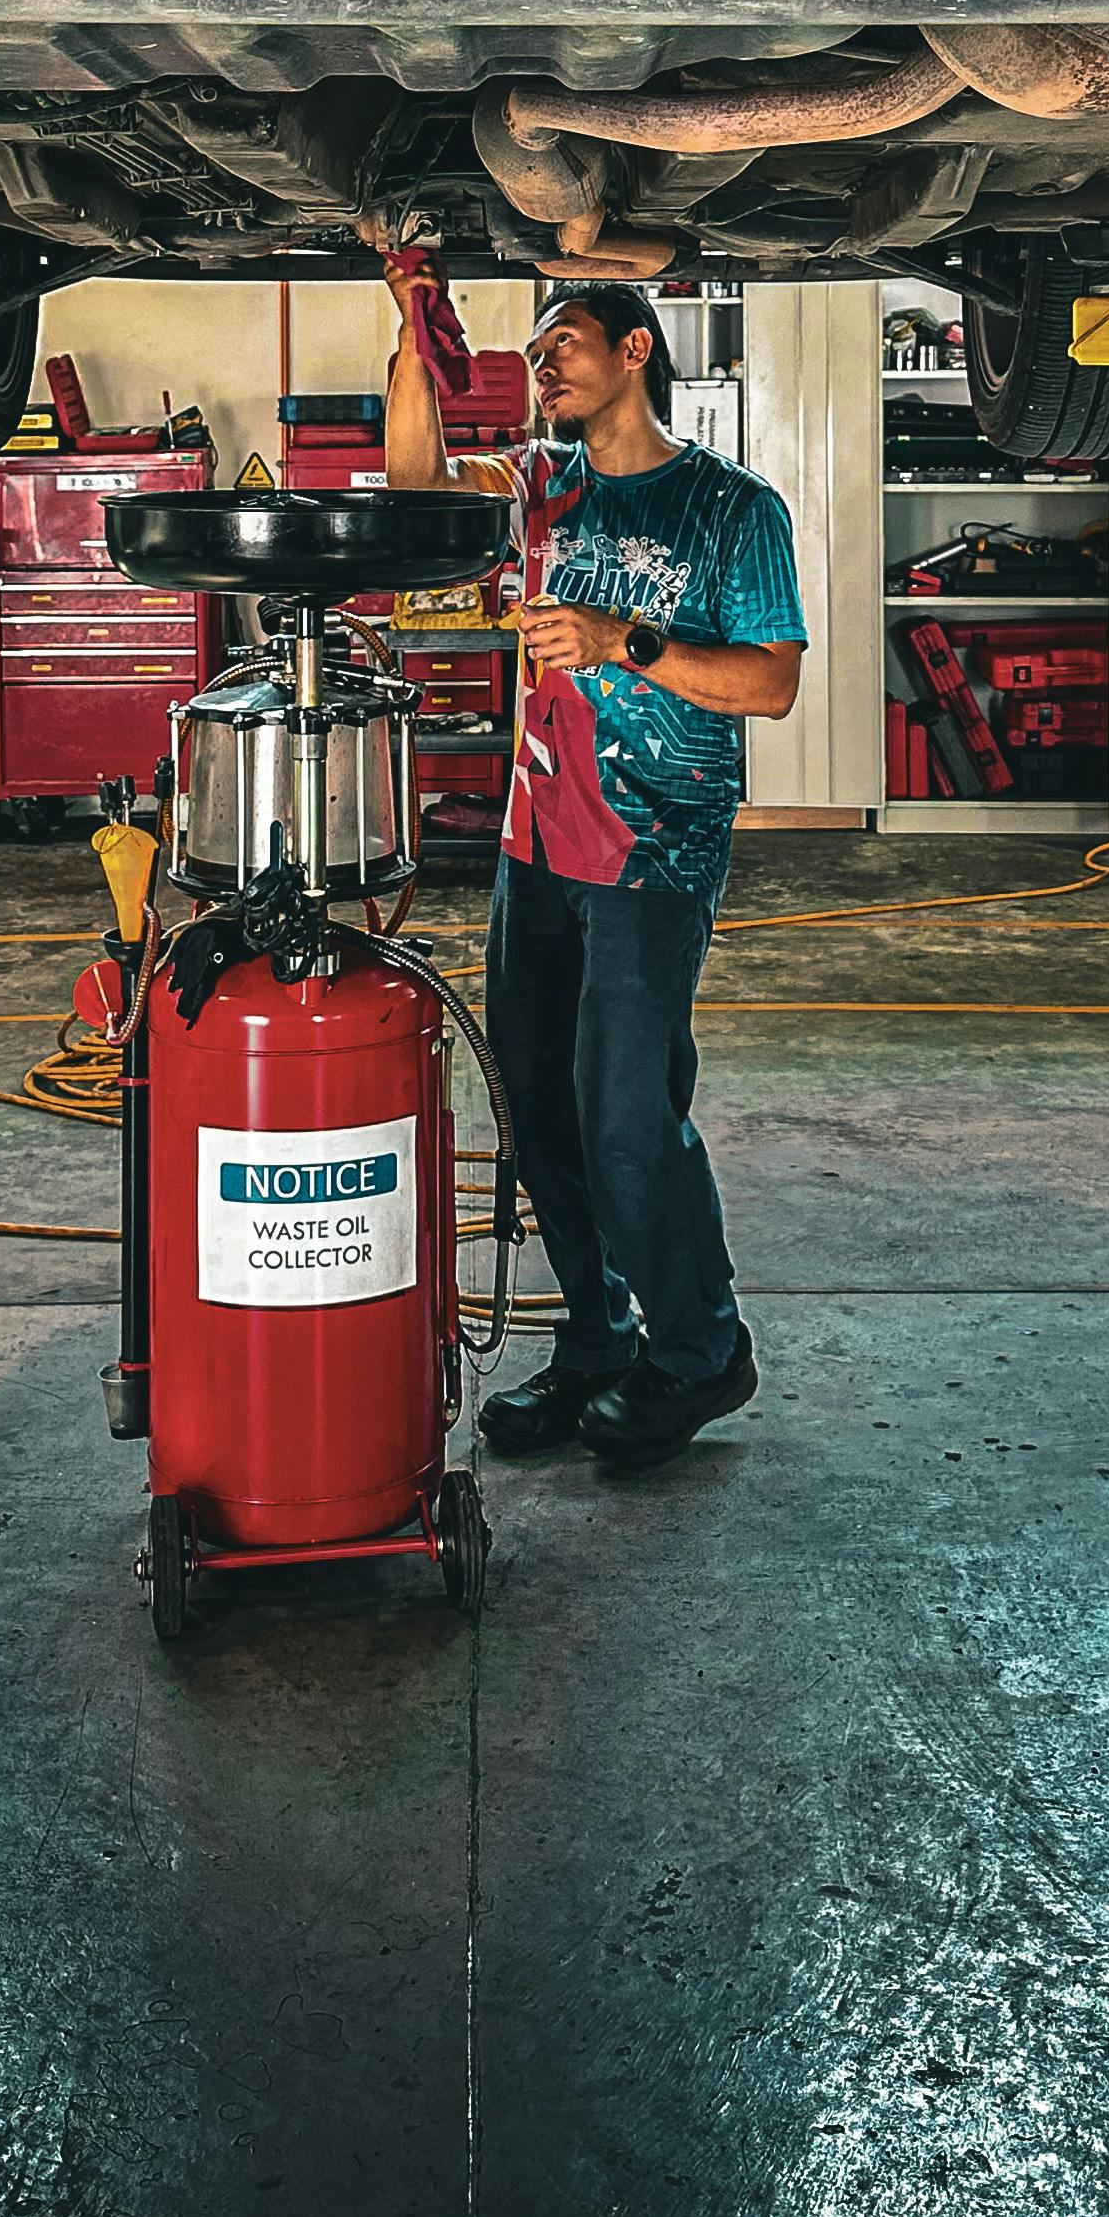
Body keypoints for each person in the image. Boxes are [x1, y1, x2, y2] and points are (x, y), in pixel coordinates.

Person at [381, 251, 805, 1470]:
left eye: (564, 340)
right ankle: (597, 1340)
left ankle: (699, 1349)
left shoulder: (733, 509)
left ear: (634, 351)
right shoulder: (532, 488)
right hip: (534, 850)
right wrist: (412, 318)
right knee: (542, 1119)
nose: (542, 363)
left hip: (653, 851)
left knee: (627, 1120)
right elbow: (414, 476)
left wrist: (624, 641)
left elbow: (770, 684)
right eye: (533, 350)